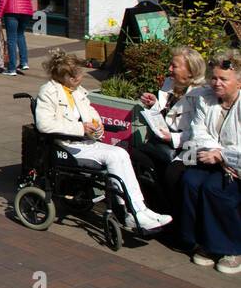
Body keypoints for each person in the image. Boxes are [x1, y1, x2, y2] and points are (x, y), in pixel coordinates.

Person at [34, 49, 171, 233]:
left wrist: (97, 126)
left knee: (122, 154)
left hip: (85, 143)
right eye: (78, 75)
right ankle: (132, 212)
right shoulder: (48, 92)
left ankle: (141, 209)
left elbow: (91, 114)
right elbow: (44, 125)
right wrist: (81, 128)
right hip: (66, 146)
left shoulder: (78, 92)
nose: (81, 77)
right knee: (114, 156)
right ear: (67, 77)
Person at [175, 49, 241, 274]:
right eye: (214, 77)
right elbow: (198, 131)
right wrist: (216, 153)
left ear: (239, 82)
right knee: (190, 182)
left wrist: (223, 155)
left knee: (216, 189)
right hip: (212, 158)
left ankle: (231, 248)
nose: (216, 83)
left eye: (223, 79)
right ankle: (200, 241)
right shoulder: (206, 98)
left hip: (235, 166)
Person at [130, 46, 208, 213]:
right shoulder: (170, 83)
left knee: (174, 175)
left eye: (175, 66)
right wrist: (154, 105)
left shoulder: (201, 95)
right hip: (165, 141)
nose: (169, 69)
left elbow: (199, 131)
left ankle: (175, 216)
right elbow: (168, 114)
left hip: (190, 146)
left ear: (191, 71)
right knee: (137, 156)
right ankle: (152, 208)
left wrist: (172, 138)